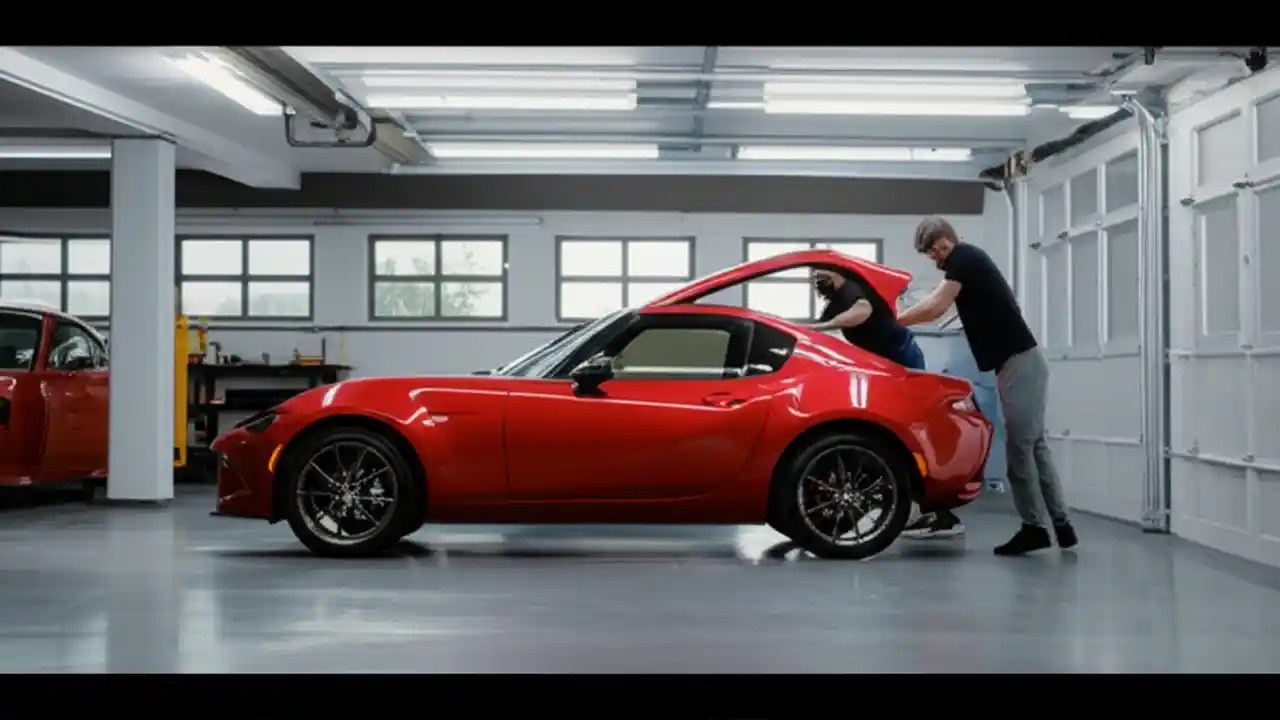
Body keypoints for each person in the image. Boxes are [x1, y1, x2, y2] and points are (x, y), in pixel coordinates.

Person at [896, 216, 1078, 556]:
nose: (937, 258)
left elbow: (936, 306)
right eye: (932, 254)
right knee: (1035, 448)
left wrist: (893, 321)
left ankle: (1034, 528)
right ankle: (1062, 527)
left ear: (947, 242)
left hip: (1019, 363)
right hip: (1020, 363)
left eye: (937, 251)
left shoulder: (964, 258)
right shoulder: (967, 261)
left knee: (1020, 450)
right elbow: (937, 302)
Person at [806, 266, 965, 539]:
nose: (818, 282)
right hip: (888, 369)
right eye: (814, 279)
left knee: (908, 438)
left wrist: (826, 325)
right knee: (893, 438)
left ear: (835, 273)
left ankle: (937, 514)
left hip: (904, 364)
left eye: (821, 276)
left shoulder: (854, 289)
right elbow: (818, 332)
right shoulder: (836, 302)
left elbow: (862, 312)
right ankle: (919, 510)